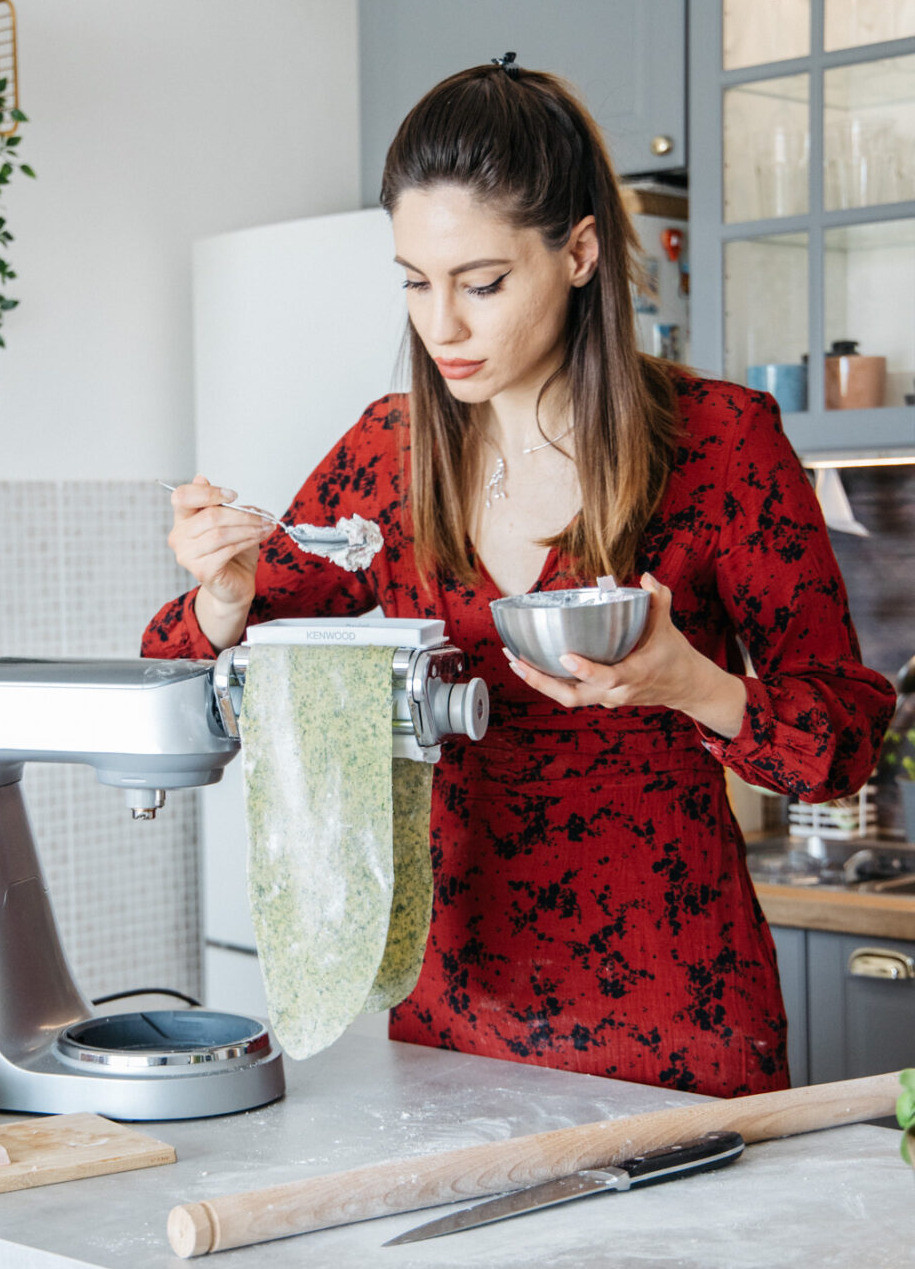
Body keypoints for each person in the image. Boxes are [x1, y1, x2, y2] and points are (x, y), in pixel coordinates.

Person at [143, 59, 894, 1099]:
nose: (439, 326)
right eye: (413, 281)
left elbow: (841, 740)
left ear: (578, 251)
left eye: (480, 283)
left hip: (674, 1012)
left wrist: (690, 685)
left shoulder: (720, 441)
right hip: (450, 1009)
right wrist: (221, 598)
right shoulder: (387, 451)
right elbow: (178, 678)